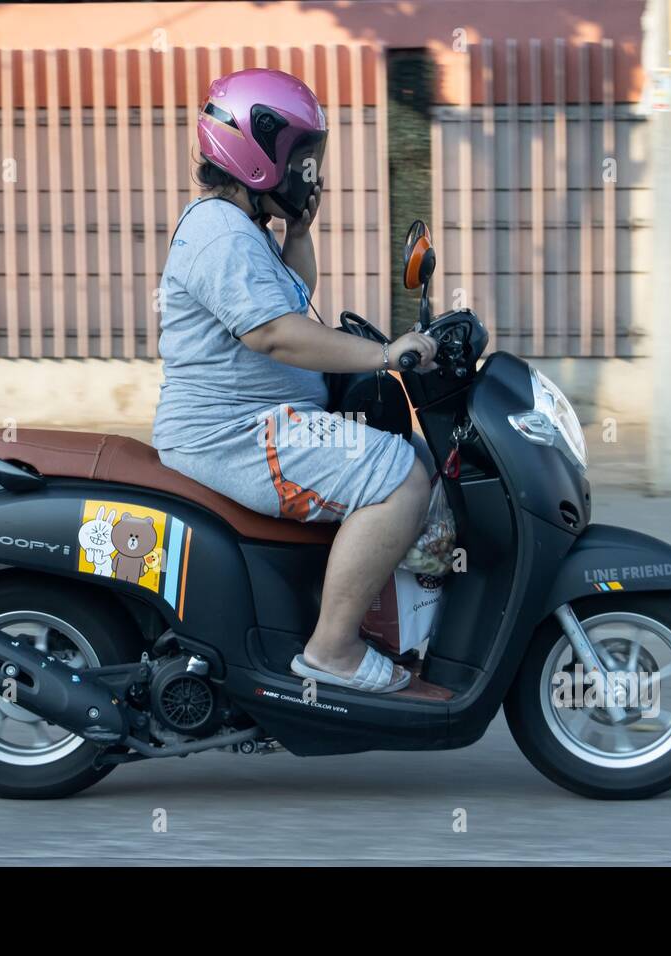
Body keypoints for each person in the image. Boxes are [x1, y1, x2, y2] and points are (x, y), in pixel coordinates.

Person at [152, 68, 437, 694]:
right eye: (302, 158)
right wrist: (384, 354)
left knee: (418, 456)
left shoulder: (240, 228)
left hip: (262, 423)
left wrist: (299, 232)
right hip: (237, 433)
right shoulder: (218, 234)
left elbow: (294, 295)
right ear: (258, 155)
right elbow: (277, 335)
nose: (310, 173)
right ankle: (332, 649)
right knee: (403, 478)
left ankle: (392, 619)